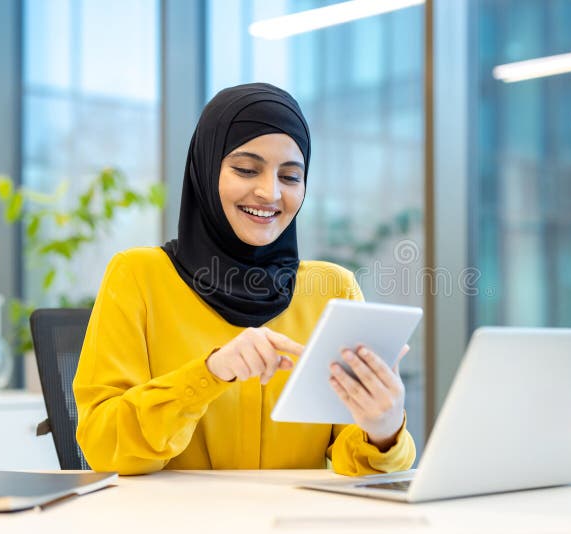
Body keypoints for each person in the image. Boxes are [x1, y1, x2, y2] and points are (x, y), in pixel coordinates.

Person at [73, 83, 416, 476]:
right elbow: (105, 447)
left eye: (290, 177)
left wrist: (384, 432)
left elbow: (356, 465)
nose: (269, 192)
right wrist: (209, 373)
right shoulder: (138, 276)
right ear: (206, 168)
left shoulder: (332, 290)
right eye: (246, 169)